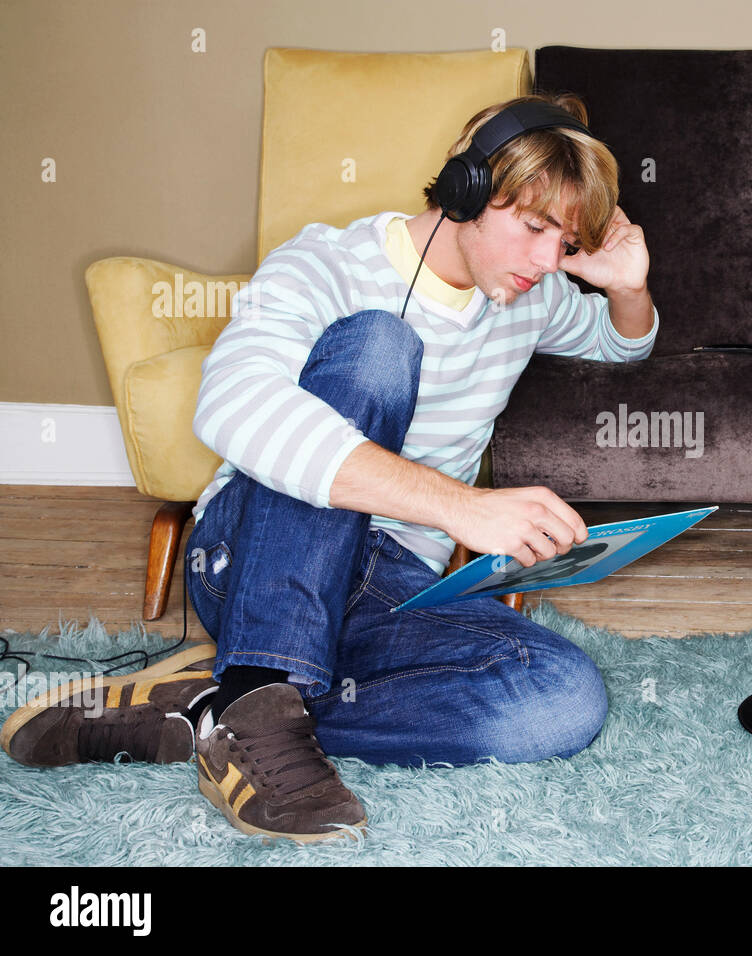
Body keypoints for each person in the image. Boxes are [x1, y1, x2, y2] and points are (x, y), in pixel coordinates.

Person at [2, 94, 657, 844]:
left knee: (561, 697)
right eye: (535, 227)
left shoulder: (527, 299)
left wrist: (627, 284)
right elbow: (231, 405)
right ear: (464, 190)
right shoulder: (327, 263)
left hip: (391, 586)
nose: (547, 261)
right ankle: (259, 689)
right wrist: (460, 507)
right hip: (251, 557)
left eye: (565, 239)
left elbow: (621, 343)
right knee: (379, 349)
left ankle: (221, 706)